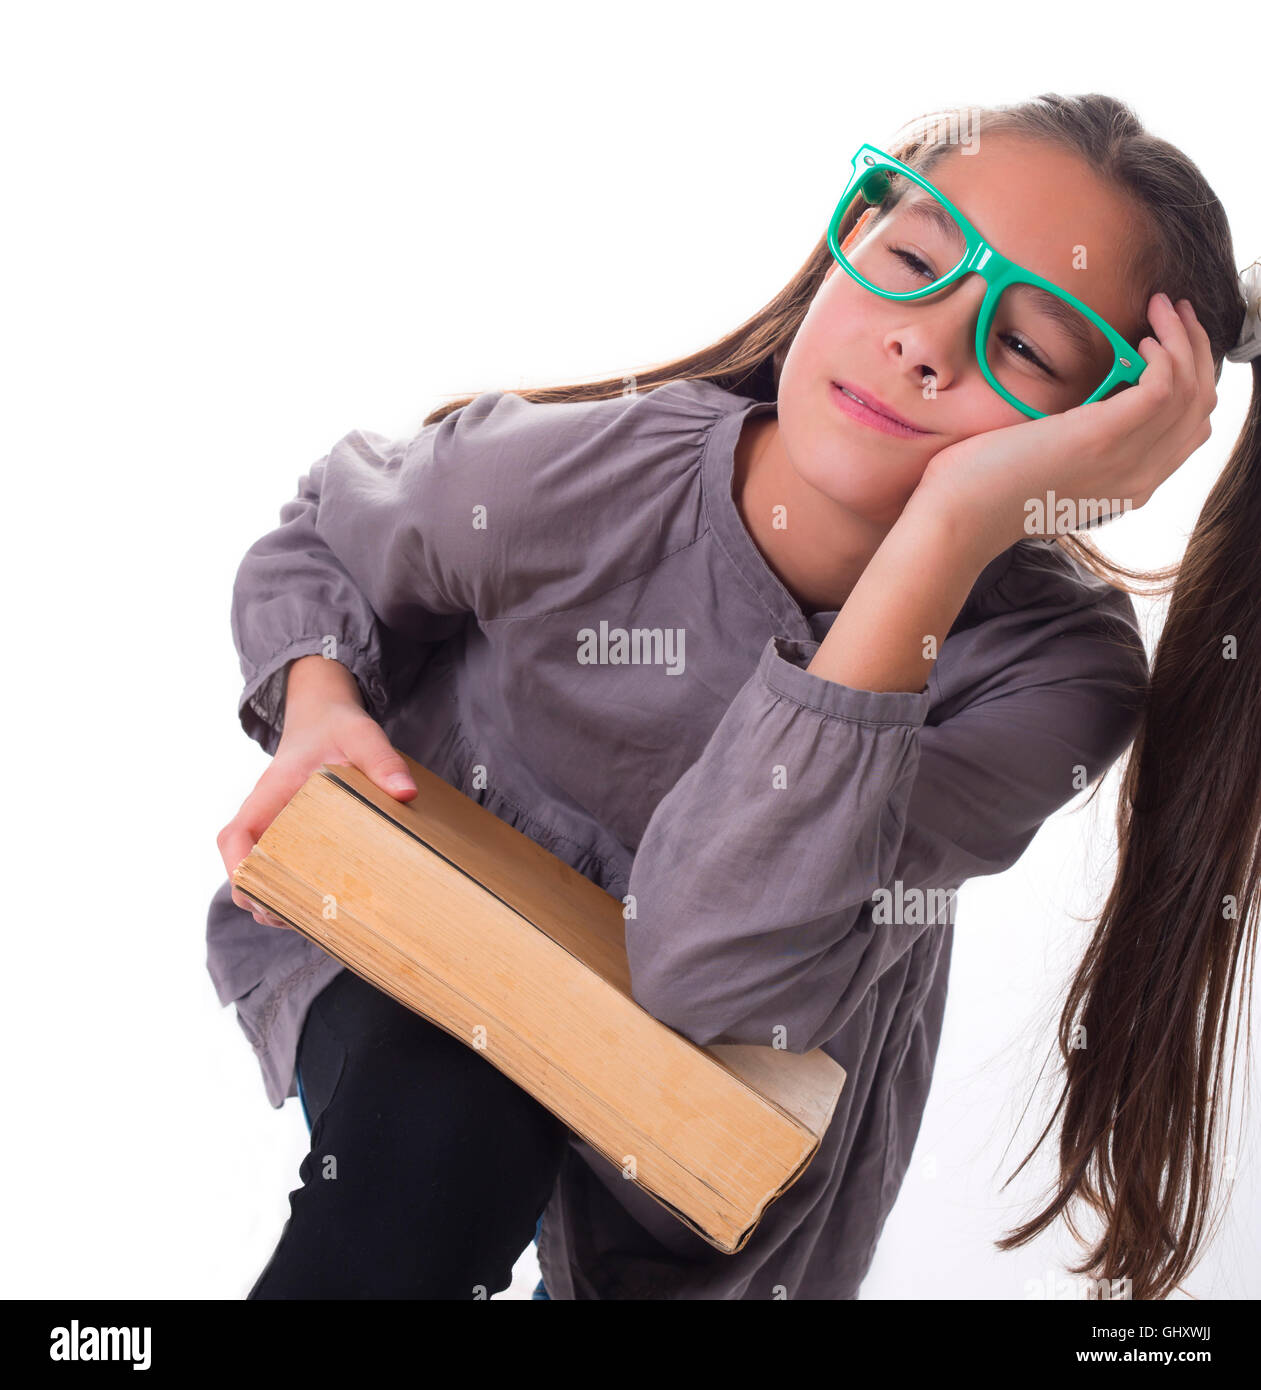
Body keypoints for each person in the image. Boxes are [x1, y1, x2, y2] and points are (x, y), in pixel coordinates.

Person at [209, 91, 1261, 1300]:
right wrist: (321, 703)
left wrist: (955, 528)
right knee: (449, 1116)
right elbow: (329, 535)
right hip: (441, 962)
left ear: (1102, 435)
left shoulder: (1052, 680)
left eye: (1024, 348)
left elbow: (706, 974)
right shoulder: (584, 478)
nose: (925, 341)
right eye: (913, 260)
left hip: (715, 1107)